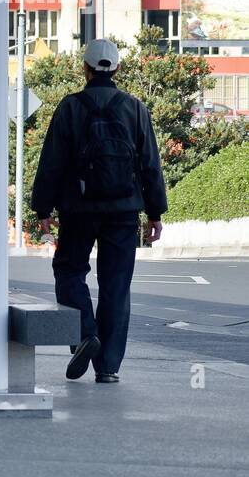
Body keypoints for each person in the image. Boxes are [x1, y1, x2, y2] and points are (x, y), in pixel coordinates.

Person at [31, 39, 167, 384]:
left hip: (78, 210)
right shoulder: (135, 109)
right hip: (124, 211)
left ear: (86, 69)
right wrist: (155, 213)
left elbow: (52, 163)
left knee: (69, 270)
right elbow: (151, 165)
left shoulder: (70, 107)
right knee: (116, 285)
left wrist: (42, 208)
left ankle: (84, 333)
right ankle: (107, 367)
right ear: (117, 68)